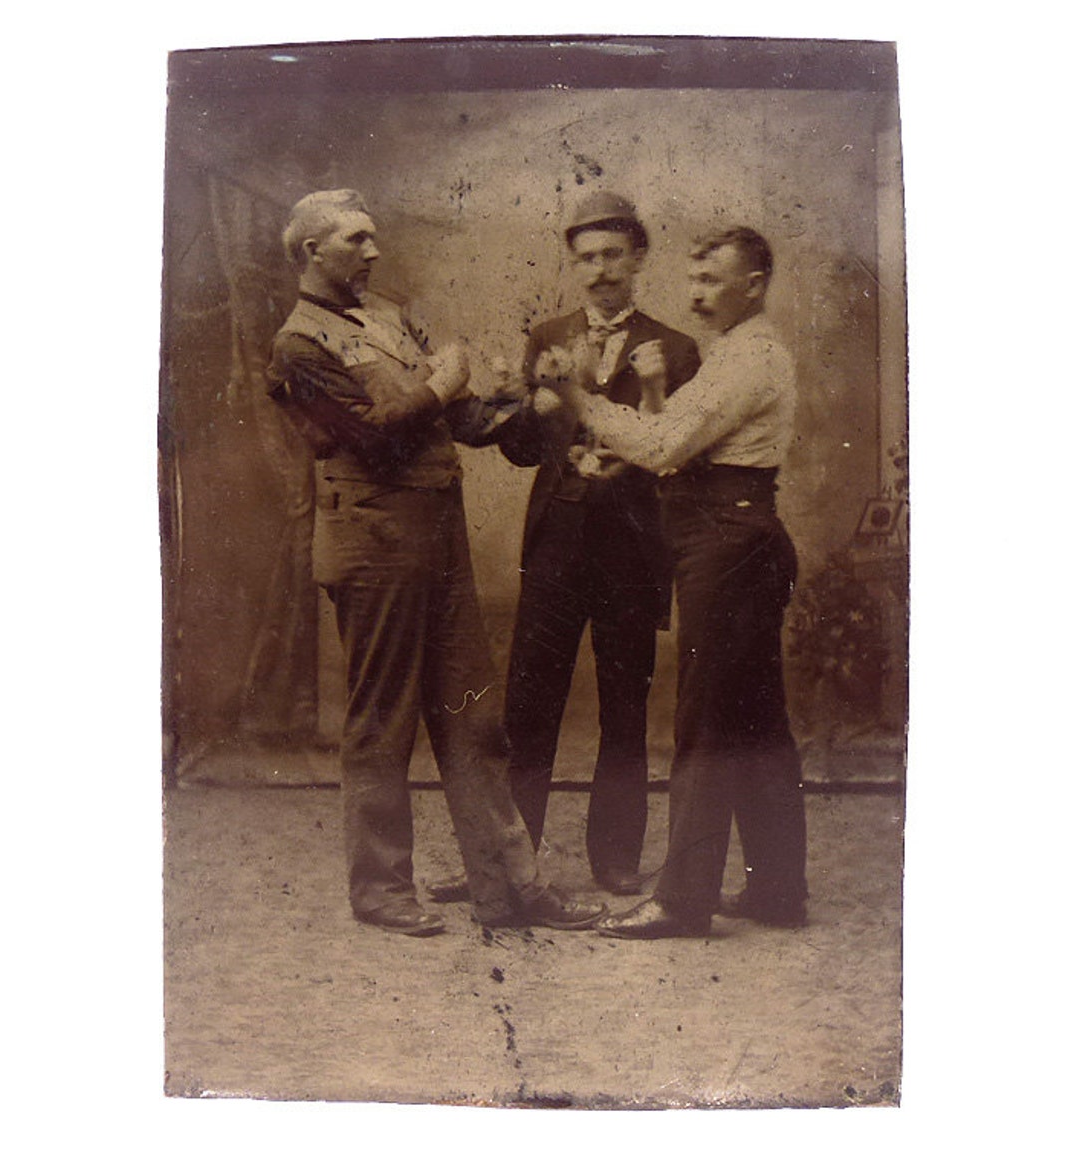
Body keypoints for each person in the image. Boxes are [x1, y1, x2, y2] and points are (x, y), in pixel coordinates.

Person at [265, 189, 607, 937]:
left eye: (373, 236)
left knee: (474, 719)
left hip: (438, 538)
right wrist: (441, 382)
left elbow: (464, 421)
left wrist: (527, 406)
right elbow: (371, 439)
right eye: (356, 239)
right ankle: (380, 890)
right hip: (372, 545)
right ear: (311, 252)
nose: (373, 250)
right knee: (382, 721)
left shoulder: (388, 316)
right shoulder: (297, 346)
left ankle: (512, 888)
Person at [555, 225, 808, 938]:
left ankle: (682, 900)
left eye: (711, 281)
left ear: (753, 285)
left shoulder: (750, 357)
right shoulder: (736, 352)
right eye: (693, 279)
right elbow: (681, 450)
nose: (695, 295)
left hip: (728, 550)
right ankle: (778, 890)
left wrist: (576, 397)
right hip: (735, 541)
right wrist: (633, 447)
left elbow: (665, 442)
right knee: (757, 720)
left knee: (704, 722)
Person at [490, 192, 701, 896]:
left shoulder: (675, 348)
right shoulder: (547, 336)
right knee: (528, 702)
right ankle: (512, 857)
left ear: (638, 258)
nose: (601, 270)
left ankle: (614, 858)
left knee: (624, 704)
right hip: (556, 541)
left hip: (632, 548)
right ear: (573, 265)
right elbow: (523, 451)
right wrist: (531, 406)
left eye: (614, 255)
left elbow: (680, 458)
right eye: (587, 258)